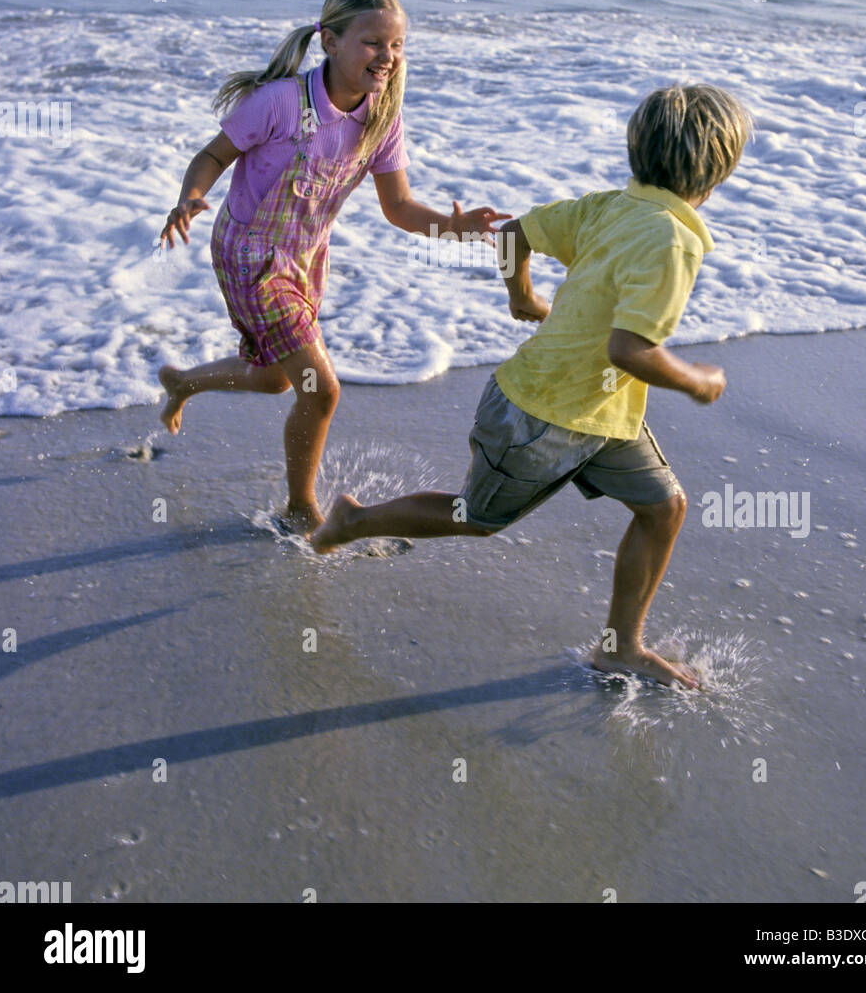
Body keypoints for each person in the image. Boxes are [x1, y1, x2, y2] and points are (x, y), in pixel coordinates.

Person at [311, 83, 752, 689]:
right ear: (718, 169)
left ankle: (619, 647)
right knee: (476, 517)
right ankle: (355, 521)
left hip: (604, 414)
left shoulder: (608, 206)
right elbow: (631, 349)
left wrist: (522, 297)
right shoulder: (672, 242)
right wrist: (698, 381)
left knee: (663, 508)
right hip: (537, 416)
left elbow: (515, 234)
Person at [157, 0, 510, 534]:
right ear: (330, 42)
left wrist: (453, 227)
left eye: (396, 46)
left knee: (277, 379)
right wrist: (190, 197)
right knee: (321, 390)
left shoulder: (380, 120)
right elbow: (212, 154)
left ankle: (185, 383)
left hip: (303, 258)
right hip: (248, 254)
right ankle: (299, 506)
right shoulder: (279, 102)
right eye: (373, 43)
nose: (387, 57)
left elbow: (398, 207)